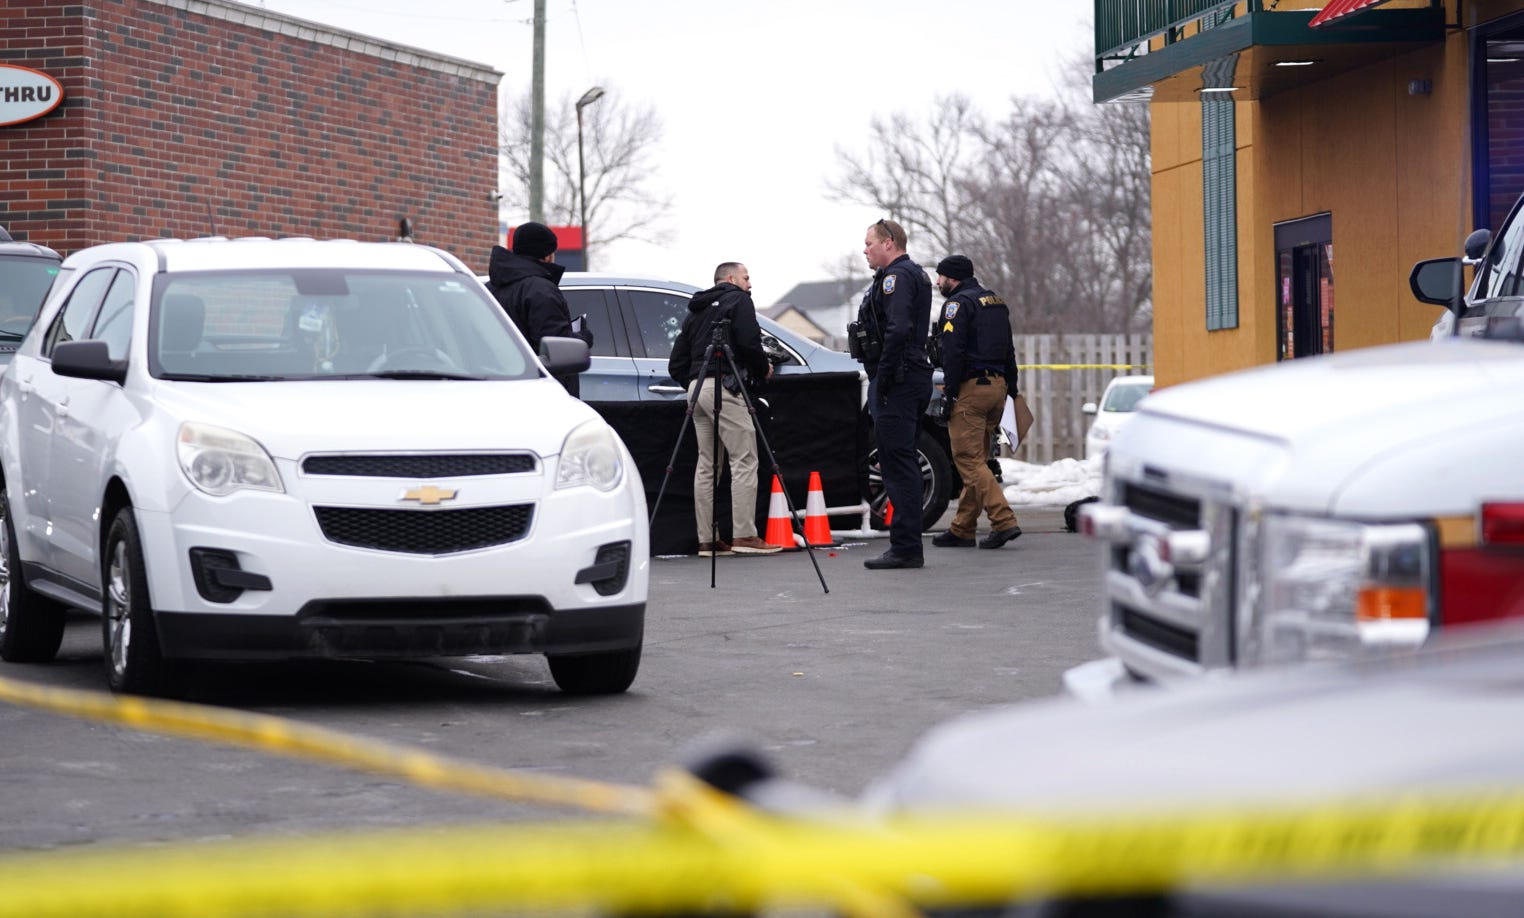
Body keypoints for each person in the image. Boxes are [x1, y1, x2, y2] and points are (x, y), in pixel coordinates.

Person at [668, 262, 781, 557]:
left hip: (696, 389)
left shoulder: (696, 310)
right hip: (725, 387)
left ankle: (707, 540)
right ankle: (744, 535)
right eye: (746, 277)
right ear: (730, 279)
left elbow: (675, 362)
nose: (750, 284)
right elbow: (749, 341)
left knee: (707, 465)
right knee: (744, 459)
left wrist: (696, 384)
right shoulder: (739, 300)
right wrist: (763, 368)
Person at [851, 219, 933, 570]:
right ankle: (906, 544)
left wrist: (882, 377)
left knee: (898, 465)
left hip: (899, 379)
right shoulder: (911, 274)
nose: (865, 249)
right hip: (909, 376)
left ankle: (905, 548)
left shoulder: (896, 278)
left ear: (888, 243)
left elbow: (898, 329)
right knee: (900, 462)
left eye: (869, 243)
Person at [929, 255, 1022, 550]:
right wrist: (1012, 390)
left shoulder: (957, 305)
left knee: (968, 460)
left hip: (971, 389)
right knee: (977, 461)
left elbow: (953, 352)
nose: (937, 281)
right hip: (997, 386)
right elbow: (1009, 350)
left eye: (940, 276)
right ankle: (962, 529)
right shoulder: (995, 302)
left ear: (952, 278)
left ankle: (1003, 520)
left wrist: (951, 393)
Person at [485, 221, 593, 396]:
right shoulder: (542, 290)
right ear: (548, 256)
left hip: (500, 386)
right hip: (542, 392)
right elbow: (557, 348)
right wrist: (582, 339)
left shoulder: (490, 288)